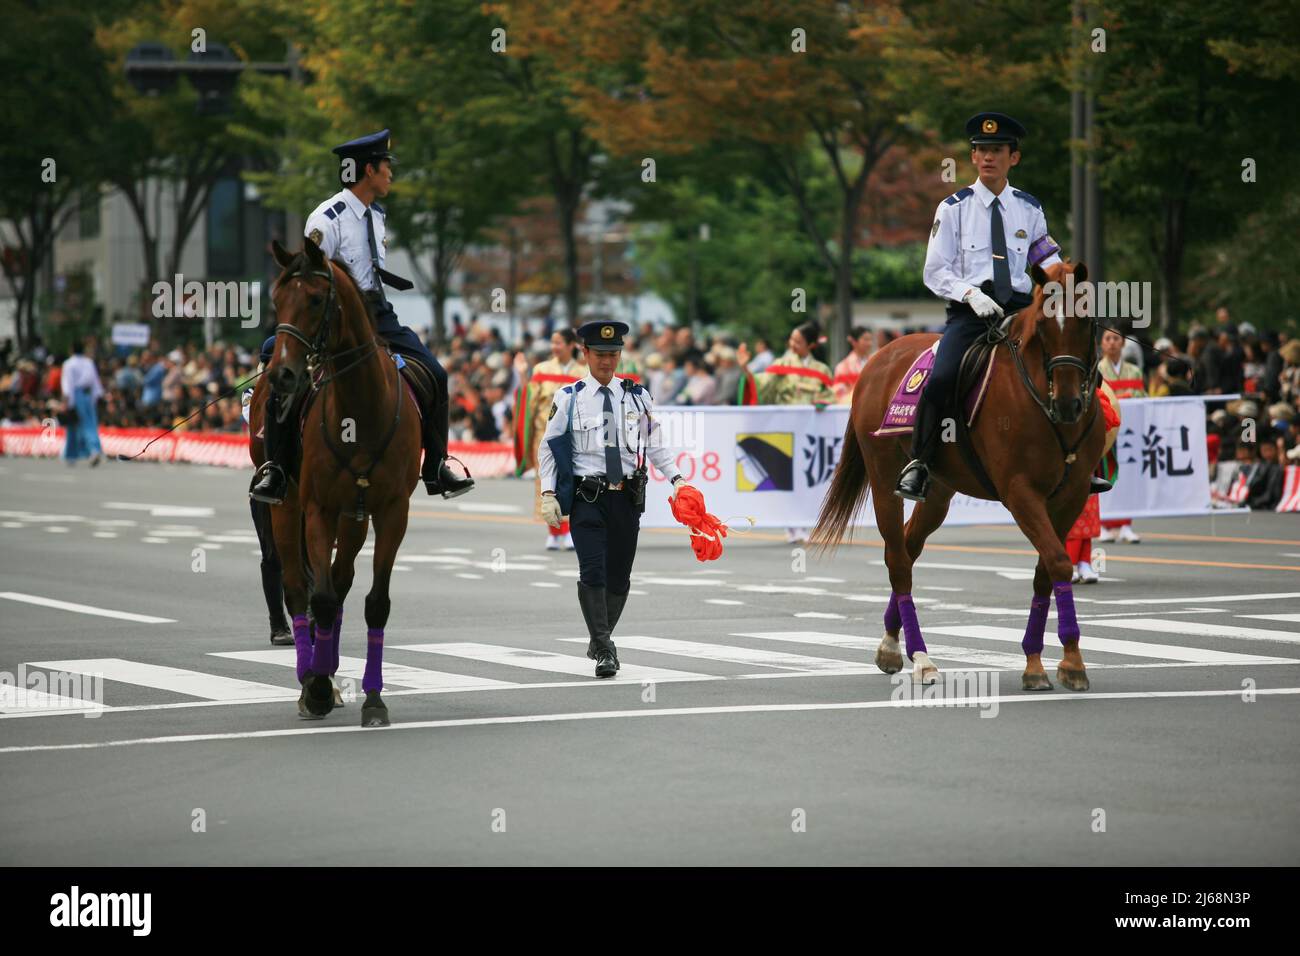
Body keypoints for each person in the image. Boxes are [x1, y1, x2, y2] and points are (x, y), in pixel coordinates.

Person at [250, 129, 474, 504]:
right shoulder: (327, 218)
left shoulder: (376, 215)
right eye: (386, 166)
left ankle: (436, 465)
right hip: (330, 315)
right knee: (285, 377)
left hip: (377, 310)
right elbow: (310, 277)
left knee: (435, 371)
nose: (391, 173)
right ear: (369, 170)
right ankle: (276, 466)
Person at [896, 111, 1066, 501]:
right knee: (940, 379)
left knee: (1067, 366)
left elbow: (1045, 261)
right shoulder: (953, 208)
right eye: (981, 150)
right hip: (971, 313)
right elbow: (935, 271)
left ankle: (1078, 462)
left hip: (1022, 310)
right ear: (972, 157)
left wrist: (1067, 280)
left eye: (997, 150)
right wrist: (972, 295)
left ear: (1014, 157)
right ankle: (919, 463)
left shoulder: (1029, 208)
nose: (989, 157)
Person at [537, 320, 695, 678]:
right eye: (600, 355)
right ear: (585, 354)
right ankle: (606, 649)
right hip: (586, 497)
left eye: (613, 354)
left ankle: (599, 635)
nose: (607, 362)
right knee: (592, 570)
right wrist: (548, 492)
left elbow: (654, 445)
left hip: (626, 498)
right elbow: (549, 448)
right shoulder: (570, 397)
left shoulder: (637, 396)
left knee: (619, 578)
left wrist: (678, 479)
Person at [756, 319, 835, 542]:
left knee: (805, 479)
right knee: (785, 479)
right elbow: (762, 389)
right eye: (791, 339)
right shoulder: (781, 364)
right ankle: (791, 524)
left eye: (798, 341)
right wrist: (745, 369)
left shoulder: (821, 369)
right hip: (783, 431)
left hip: (810, 433)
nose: (792, 344)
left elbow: (830, 395)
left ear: (811, 345)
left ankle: (804, 522)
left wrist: (823, 401)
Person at [515, 329, 584, 550]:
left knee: (573, 481)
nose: (555, 347)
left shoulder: (583, 371)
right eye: (553, 343)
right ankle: (553, 532)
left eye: (559, 342)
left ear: (572, 345)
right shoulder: (541, 369)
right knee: (547, 482)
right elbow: (529, 402)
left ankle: (569, 530)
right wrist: (522, 376)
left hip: (573, 436)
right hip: (544, 435)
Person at [1097, 328, 1147, 544]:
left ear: (1123, 343)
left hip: (1130, 431)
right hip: (1107, 431)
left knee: (1129, 477)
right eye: (1108, 338)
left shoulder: (1134, 371)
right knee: (1104, 474)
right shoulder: (1097, 368)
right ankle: (1104, 525)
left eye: (1116, 338)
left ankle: (1126, 524)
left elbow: (1142, 398)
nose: (1112, 343)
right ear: (1101, 343)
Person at [60, 339, 103, 467]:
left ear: (72, 350)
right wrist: (96, 396)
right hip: (88, 395)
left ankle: (87, 452)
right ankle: (77, 453)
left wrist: (66, 402)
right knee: (88, 423)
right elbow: (95, 381)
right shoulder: (89, 362)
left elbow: (68, 384)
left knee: (77, 425)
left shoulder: (69, 364)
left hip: (76, 395)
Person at [833, 326, 872, 403]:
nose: (869, 343)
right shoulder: (843, 366)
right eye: (865, 340)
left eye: (870, 340)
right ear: (854, 342)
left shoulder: (876, 362)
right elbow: (839, 392)